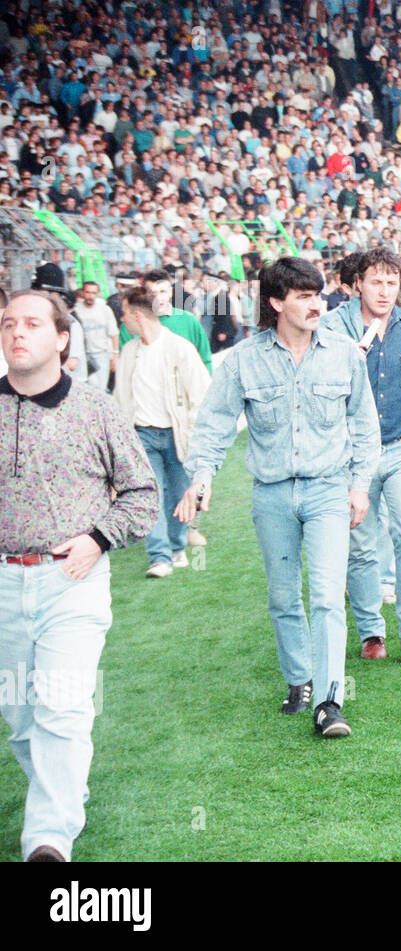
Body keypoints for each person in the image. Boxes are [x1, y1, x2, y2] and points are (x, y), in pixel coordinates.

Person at [177, 257, 379, 738]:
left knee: (328, 596)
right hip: (270, 495)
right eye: (304, 296)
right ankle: (299, 679)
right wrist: (201, 476)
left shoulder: (344, 353)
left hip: (329, 489)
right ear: (275, 302)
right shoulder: (245, 359)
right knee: (284, 595)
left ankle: (330, 702)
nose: (317, 304)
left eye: (318, 294)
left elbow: (364, 425)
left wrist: (359, 485)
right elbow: (214, 424)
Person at [0, 289, 158, 862]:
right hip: (3, 585)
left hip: (71, 580)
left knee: (62, 709)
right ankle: (66, 792)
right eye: (9, 323)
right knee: (21, 722)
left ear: (62, 338)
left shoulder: (95, 408)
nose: (18, 332)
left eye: (33, 324)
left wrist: (96, 539)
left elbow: (143, 494)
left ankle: (47, 840)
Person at [321, 246, 401, 664]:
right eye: (375, 281)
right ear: (357, 283)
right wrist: (349, 355)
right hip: (351, 455)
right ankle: (371, 632)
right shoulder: (331, 328)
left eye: (391, 282)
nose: (383, 290)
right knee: (360, 544)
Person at [113, 286, 211, 578]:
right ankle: (159, 556)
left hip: (177, 435)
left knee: (181, 495)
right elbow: (121, 397)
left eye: (124, 314)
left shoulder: (180, 348)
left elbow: (201, 395)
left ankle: (178, 546)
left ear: (138, 315)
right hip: (141, 435)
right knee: (150, 494)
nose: (122, 320)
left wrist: (195, 437)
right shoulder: (129, 351)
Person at [118, 268, 213, 373]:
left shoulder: (189, 321)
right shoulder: (130, 325)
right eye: (152, 293)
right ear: (144, 295)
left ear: (170, 292)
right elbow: (125, 368)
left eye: (162, 291)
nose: (158, 298)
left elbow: (205, 359)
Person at [72, 280, 119, 391]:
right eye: (88, 292)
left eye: (93, 293)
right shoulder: (77, 310)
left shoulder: (105, 309)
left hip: (102, 354)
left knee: (101, 388)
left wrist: (115, 356)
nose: (90, 296)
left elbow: (114, 333)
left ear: (97, 294)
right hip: (84, 355)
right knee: (89, 387)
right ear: (83, 293)